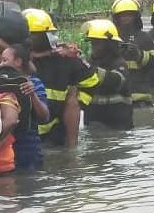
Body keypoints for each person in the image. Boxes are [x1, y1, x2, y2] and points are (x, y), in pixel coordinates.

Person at [22, 8, 103, 147]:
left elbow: (92, 81)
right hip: (23, 133)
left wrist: (74, 103)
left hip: (52, 134)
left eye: (33, 35)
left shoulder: (65, 58)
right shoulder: (15, 58)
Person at [0, 44, 49, 170]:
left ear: (18, 62)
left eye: (5, 60)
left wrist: (32, 95)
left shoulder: (34, 83)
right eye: (1, 61)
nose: (1, 65)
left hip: (29, 152)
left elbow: (44, 117)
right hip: (4, 152)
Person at [81, 20, 134, 131]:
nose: (93, 47)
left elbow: (115, 81)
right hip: (94, 124)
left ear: (109, 45)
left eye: (97, 43)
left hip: (118, 127)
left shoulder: (119, 63)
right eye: (92, 43)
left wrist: (87, 68)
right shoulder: (89, 62)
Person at [110, 0, 154, 106]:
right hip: (117, 99)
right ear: (116, 18)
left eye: (130, 15)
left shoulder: (144, 38)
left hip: (141, 98)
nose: (126, 18)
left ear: (136, 16)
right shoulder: (110, 39)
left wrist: (139, 55)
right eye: (123, 15)